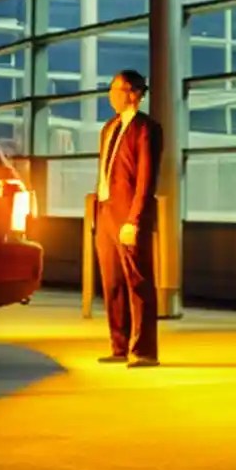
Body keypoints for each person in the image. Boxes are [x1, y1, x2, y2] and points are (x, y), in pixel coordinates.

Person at [94, 69, 163, 368]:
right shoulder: (109, 127)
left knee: (138, 282)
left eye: (116, 89)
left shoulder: (146, 128)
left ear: (134, 93)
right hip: (106, 212)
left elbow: (146, 178)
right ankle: (118, 346)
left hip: (128, 215)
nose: (111, 94)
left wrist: (134, 219)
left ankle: (145, 350)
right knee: (112, 283)